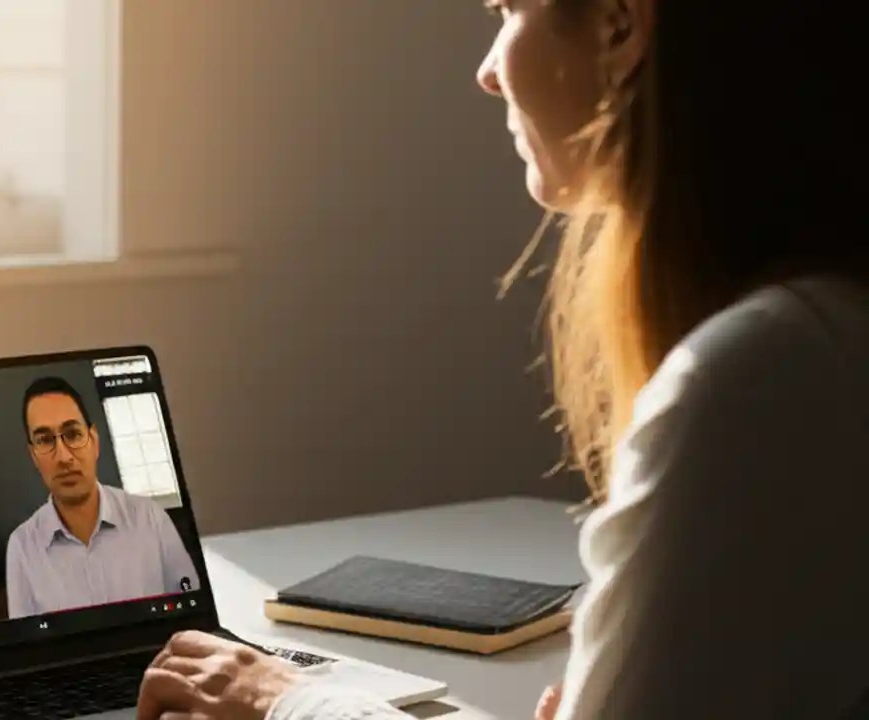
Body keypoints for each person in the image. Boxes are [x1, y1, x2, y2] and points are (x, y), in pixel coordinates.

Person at [138, 0, 869, 718]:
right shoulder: (818, 337)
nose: (488, 72)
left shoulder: (751, 387)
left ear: (619, 24)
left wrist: (287, 700)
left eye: (505, 10)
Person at [5, 377, 200, 619]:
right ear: (34, 456)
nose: (64, 457)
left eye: (73, 434)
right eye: (45, 440)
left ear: (94, 441)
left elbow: (193, 613)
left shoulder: (150, 519)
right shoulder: (22, 547)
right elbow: (29, 650)